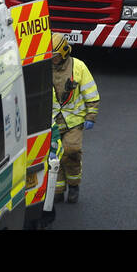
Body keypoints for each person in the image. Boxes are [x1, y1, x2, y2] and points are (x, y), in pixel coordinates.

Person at [51, 33, 99, 204]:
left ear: (63, 53)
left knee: (70, 152)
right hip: (53, 124)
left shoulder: (78, 67)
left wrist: (91, 115)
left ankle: (73, 186)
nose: (53, 60)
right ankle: (57, 190)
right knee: (54, 158)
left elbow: (91, 93)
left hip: (74, 121)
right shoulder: (45, 68)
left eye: (55, 57)